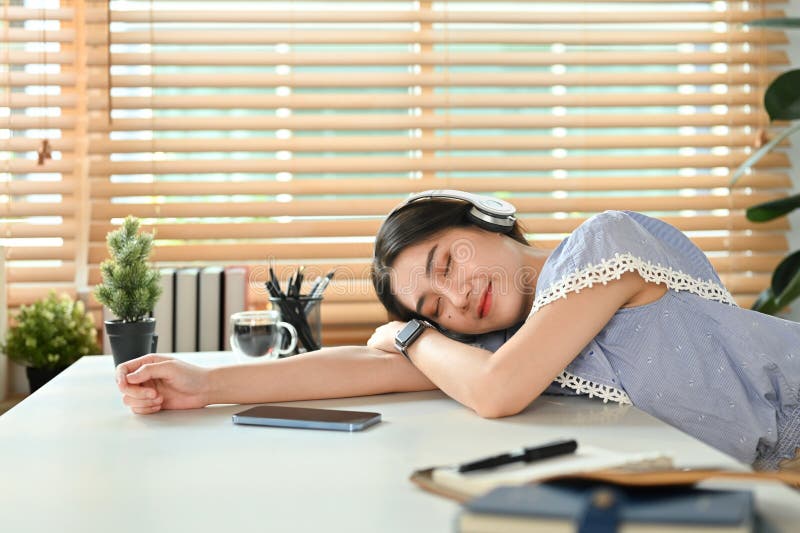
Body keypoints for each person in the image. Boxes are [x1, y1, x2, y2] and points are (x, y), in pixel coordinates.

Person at [116, 190, 800, 471]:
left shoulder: (603, 244)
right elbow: (363, 363)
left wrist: (415, 334)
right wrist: (205, 384)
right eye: (431, 306)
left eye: (446, 262)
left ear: (487, 219)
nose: (456, 299)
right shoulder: (506, 341)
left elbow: (497, 391)